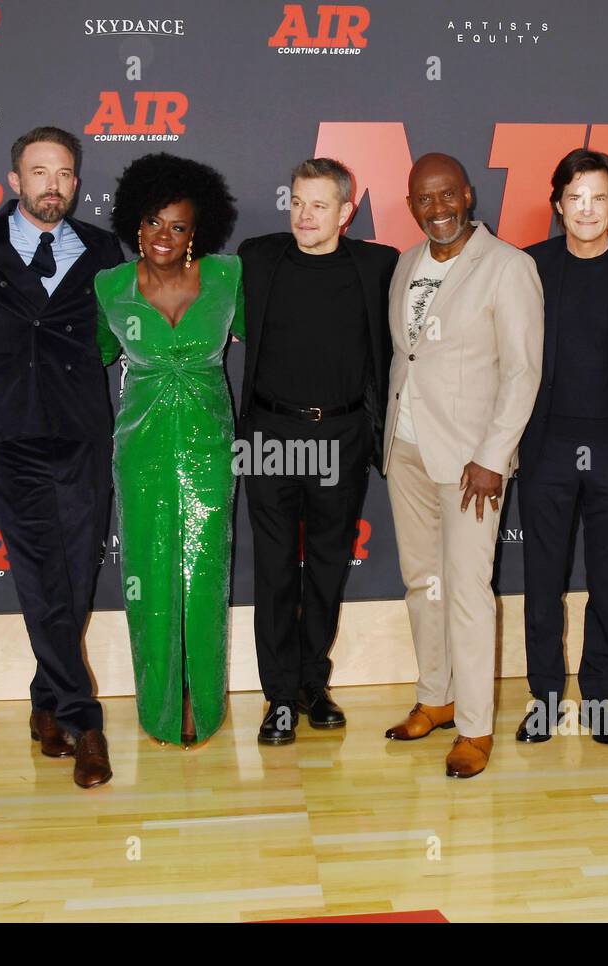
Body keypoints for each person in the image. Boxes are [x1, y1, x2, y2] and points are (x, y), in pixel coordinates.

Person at [0, 127, 123, 788]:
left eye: (65, 173)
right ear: (15, 180)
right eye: (39, 171)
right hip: (3, 434)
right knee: (37, 571)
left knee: (73, 576)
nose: (53, 184)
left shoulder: (105, 249)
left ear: (76, 183)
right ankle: (85, 721)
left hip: (82, 431)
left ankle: (44, 704)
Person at [382, 153, 544, 778]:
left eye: (448, 195)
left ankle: (474, 727)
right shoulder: (405, 264)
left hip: (473, 462)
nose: (439, 209)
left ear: (468, 194)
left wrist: (493, 456)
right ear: (412, 206)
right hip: (407, 449)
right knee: (423, 582)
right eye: (425, 200)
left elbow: (522, 370)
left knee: (469, 591)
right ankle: (436, 696)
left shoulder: (509, 267)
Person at [236, 158, 398, 745]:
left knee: (327, 567)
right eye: (298, 202)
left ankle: (312, 683)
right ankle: (278, 696)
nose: (305, 215)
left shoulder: (378, 265)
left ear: (345, 212)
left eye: (319, 205)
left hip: (341, 435)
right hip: (269, 436)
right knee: (276, 569)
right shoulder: (257, 258)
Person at [517, 149, 608, 746]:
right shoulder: (530, 267)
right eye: (574, 197)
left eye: (598, 197)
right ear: (557, 204)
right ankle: (546, 698)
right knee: (542, 580)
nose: (586, 209)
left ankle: (599, 698)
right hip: (547, 446)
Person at [95, 153, 242, 747]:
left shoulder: (229, 278)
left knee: (205, 571)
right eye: (154, 222)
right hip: (142, 447)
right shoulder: (109, 285)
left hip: (209, 443)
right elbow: (98, 355)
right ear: (135, 222)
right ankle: (159, 704)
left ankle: (201, 702)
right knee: (150, 572)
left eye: (178, 226)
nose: (163, 236)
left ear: (195, 234)